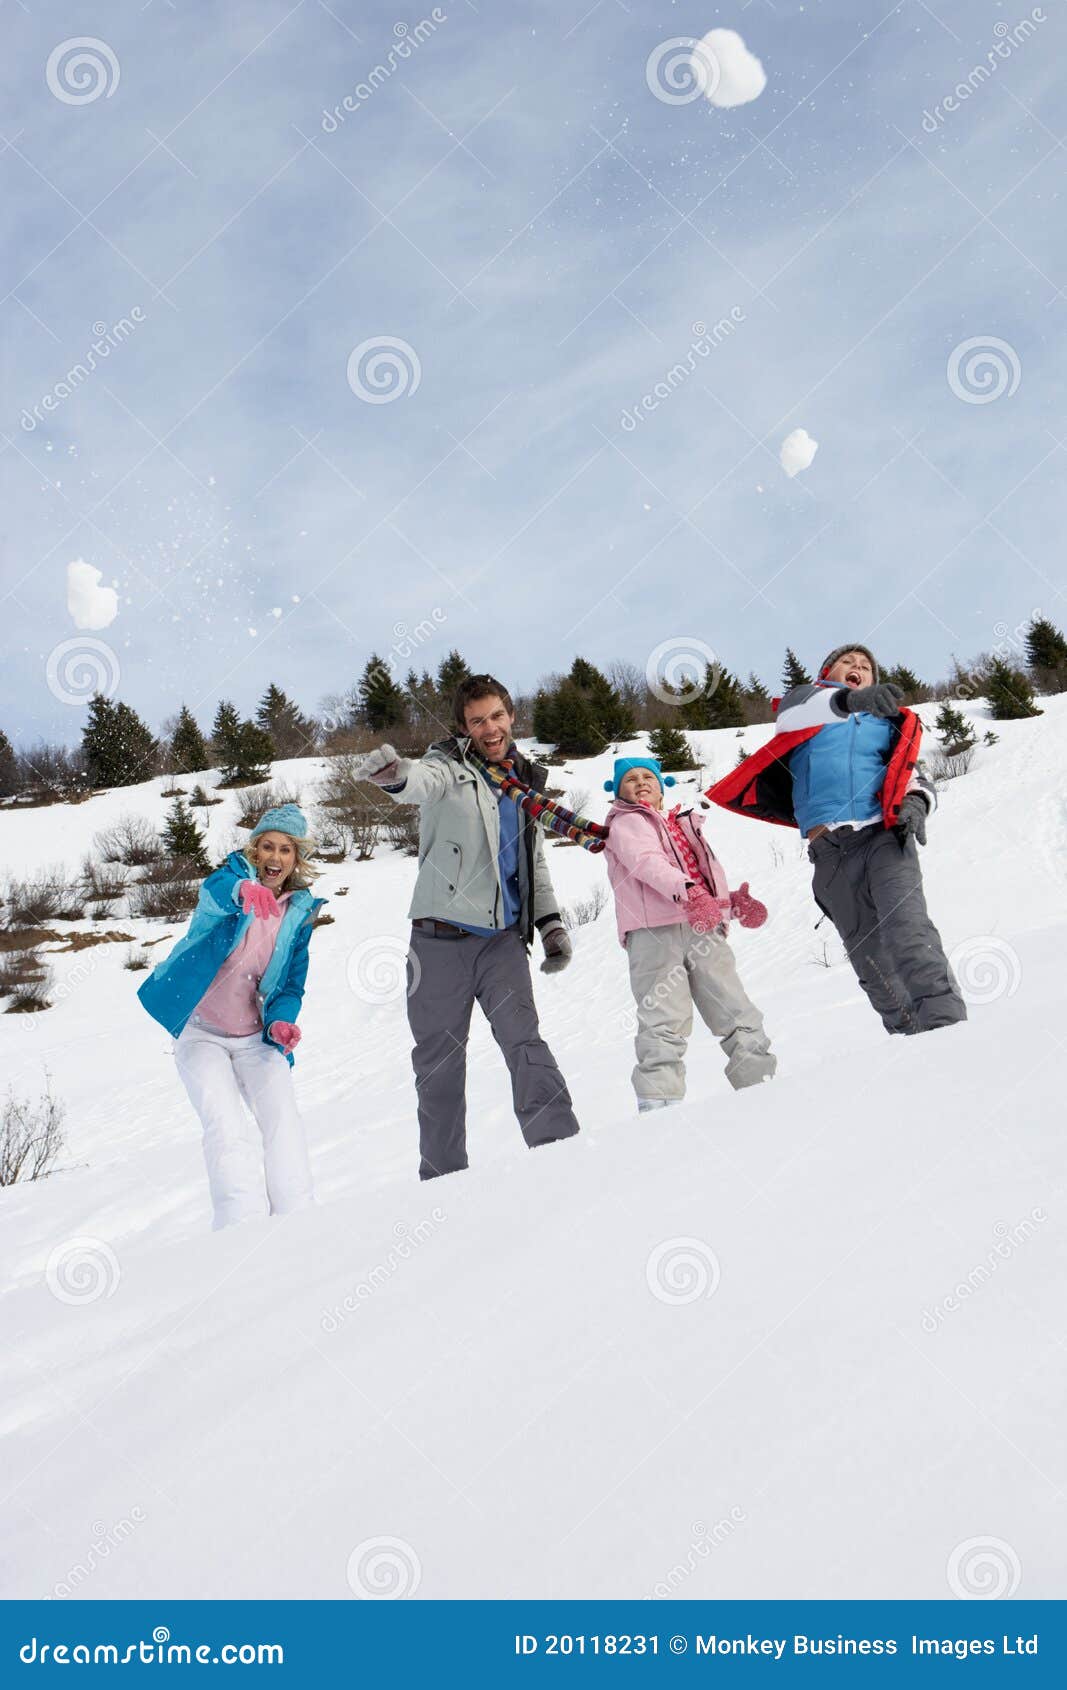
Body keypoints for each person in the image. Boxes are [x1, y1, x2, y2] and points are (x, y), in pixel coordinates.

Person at [356, 674, 608, 1180]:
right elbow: (417, 782)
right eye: (477, 721)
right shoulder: (448, 766)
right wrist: (394, 776)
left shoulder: (525, 787)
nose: (489, 728)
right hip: (437, 942)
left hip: (501, 944)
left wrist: (551, 923)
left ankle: (562, 1156)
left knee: (526, 1044)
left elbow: (532, 864)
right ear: (464, 728)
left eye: (496, 716)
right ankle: (444, 1185)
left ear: (511, 716)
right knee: (439, 1068)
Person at [707, 644, 966, 1035]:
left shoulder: (891, 723)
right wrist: (853, 700)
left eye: (866, 666)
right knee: (869, 957)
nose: (858, 667)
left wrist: (917, 802)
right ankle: (910, 1037)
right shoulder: (802, 706)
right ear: (829, 672)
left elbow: (912, 773)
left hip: (884, 838)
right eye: (849, 662)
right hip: (829, 854)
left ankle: (949, 1029)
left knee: (909, 932)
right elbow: (805, 706)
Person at [137, 804, 325, 1229]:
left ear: (297, 859)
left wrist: (280, 1020)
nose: (275, 857)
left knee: (283, 1123)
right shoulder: (227, 884)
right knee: (226, 1127)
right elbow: (215, 891)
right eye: (267, 847)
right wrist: (243, 892)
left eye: (286, 850)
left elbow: (290, 984)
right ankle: (240, 1228)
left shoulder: (298, 913)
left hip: (256, 1036)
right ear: (254, 851)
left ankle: (301, 1222)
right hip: (200, 1033)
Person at [603, 756, 775, 1110]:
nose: (640, 782)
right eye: (630, 779)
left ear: (662, 786)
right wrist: (689, 891)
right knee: (664, 1017)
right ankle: (659, 1101)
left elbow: (703, 874)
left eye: (648, 776)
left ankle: (760, 1085)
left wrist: (730, 904)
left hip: (704, 927)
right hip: (655, 932)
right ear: (618, 792)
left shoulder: (683, 823)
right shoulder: (626, 823)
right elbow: (646, 862)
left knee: (734, 1007)